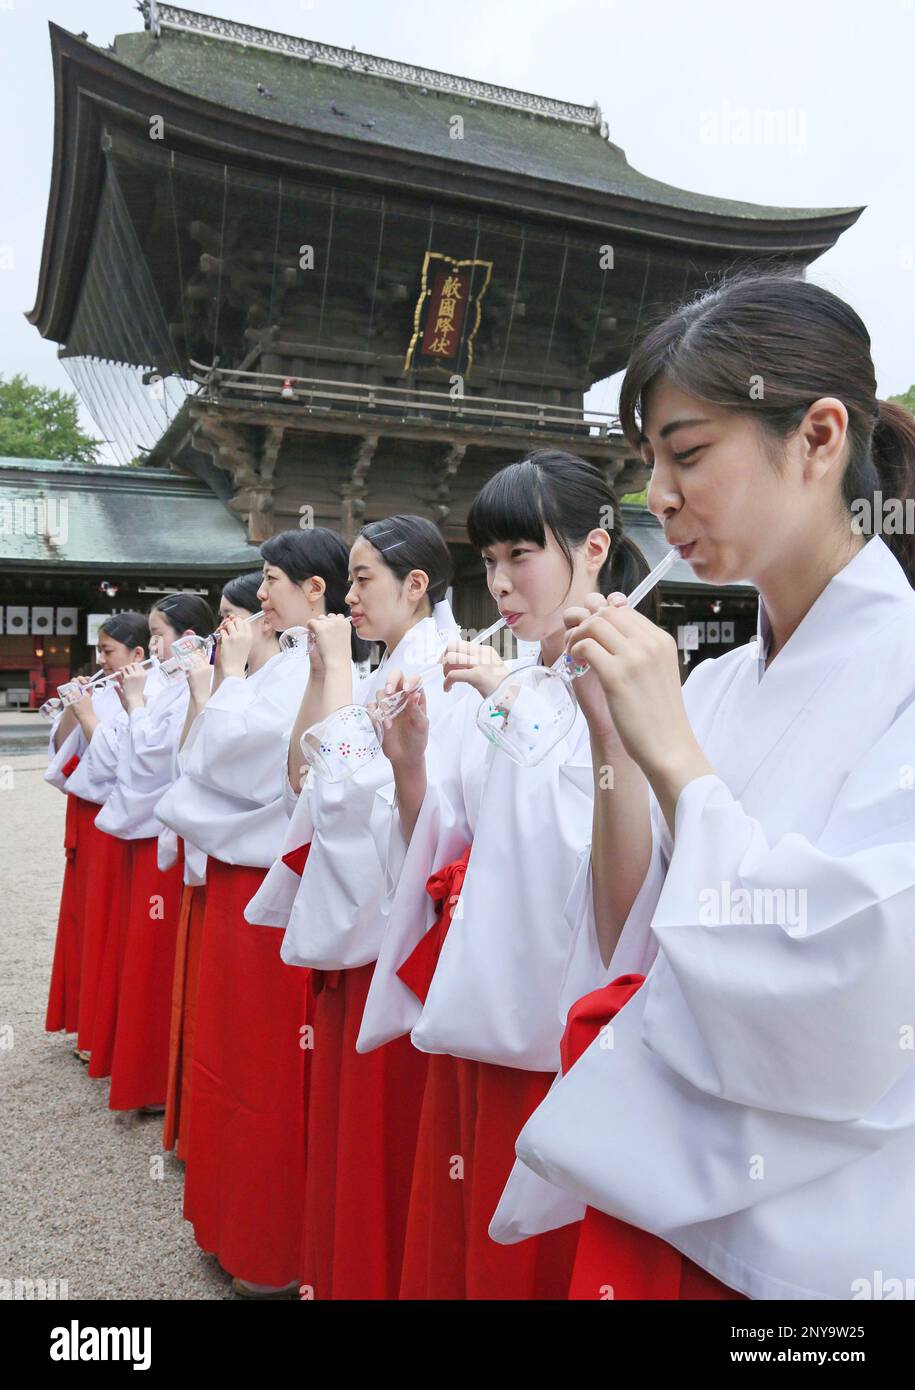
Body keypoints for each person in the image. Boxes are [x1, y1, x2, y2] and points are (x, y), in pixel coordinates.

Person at [489, 270, 915, 1302]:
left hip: (814, 1230)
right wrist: (614, 745)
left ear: (819, 439)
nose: (658, 497)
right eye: (650, 464)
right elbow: (632, 934)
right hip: (660, 1181)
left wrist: (676, 759)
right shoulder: (717, 680)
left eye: (687, 453)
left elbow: (858, 977)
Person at [365, 454, 652, 1298]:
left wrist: (516, 710)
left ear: (592, 548)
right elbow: (443, 848)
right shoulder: (517, 678)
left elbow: (603, 864)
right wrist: (410, 767)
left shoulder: (635, 678)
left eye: (518, 555)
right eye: (487, 561)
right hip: (483, 998)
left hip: (552, 1018)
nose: (498, 582)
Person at [246, 515, 464, 1300]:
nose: (349, 596)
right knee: (354, 1135)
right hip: (363, 921)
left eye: (363, 578)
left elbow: (358, 810)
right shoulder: (384, 670)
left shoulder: (437, 671)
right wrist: (323, 673)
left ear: (415, 586)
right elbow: (302, 781)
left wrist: (336, 668)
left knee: (382, 1142)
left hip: (390, 935)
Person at [156, 530, 365, 1298]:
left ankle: (272, 1244)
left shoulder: (323, 673)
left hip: (273, 890)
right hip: (243, 880)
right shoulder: (284, 671)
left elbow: (256, 769)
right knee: (231, 1065)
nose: (259, 594)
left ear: (314, 590)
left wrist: (224, 683)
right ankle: (230, 1223)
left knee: (267, 1077)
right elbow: (205, 764)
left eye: (272, 579)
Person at [161, 572, 274, 1159]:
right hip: (226, 862)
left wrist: (221, 683)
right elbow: (191, 763)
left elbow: (225, 768)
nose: (230, 627)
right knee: (224, 1035)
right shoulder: (253, 679)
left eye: (239, 614)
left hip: (256, 872)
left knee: (252, 1044)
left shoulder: (283, 679)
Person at [89, 594, 214, 1112]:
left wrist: (135, 705)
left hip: (169, 831)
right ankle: (143, 1070)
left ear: (186, 637)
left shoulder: (186, 685)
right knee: (146, 957)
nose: (153, 643)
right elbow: (119, 757)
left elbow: (158, 762)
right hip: (156, 829)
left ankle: (160, 1079)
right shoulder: (164, 682)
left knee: (161, 960)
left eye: (158, 634)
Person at [44, 613, 149, 1054]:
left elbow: (120, 756)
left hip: (113, 816)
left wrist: (89, 714)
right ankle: (82, 1019)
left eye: (109, 651)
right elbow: (60, 749)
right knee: (81, 916)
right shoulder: (102, 691)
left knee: (105, 919)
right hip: (85, 814)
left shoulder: (145, 694)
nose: (100, 659)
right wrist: (75, 709)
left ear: (137, 654)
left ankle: (101, 1027)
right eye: (100, 651)